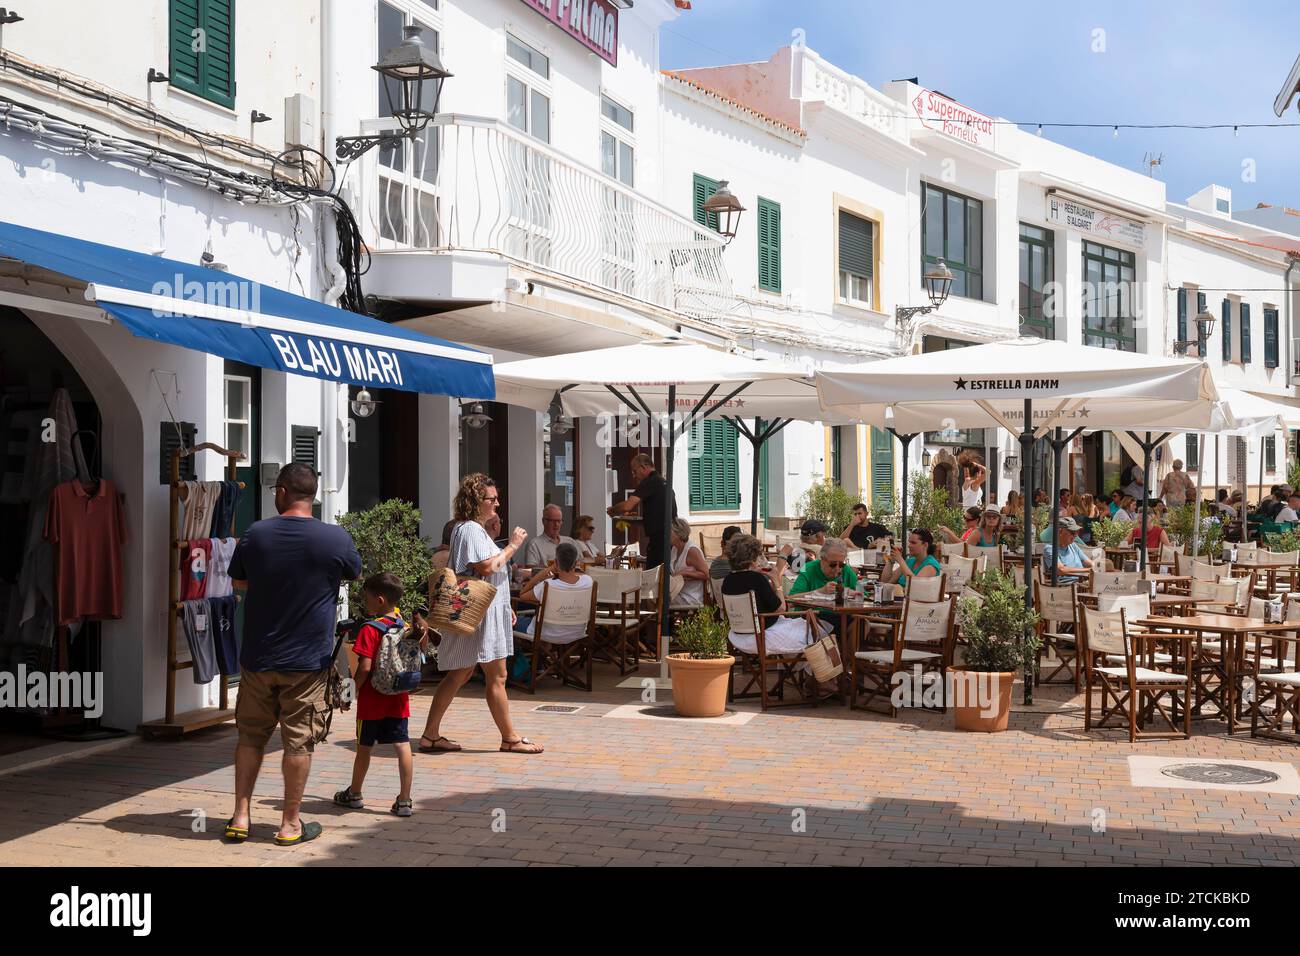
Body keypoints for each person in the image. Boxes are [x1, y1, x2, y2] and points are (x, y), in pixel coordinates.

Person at [225, 463, 362, 847]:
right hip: (308, 662)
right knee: (298, 742)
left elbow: (238, 580)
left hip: (258, 657)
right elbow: (352, 572)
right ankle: (289, 825)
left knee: (250, 737)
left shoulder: (256, 534)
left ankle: (240, 816)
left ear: (281, 492)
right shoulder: (335, 539)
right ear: (313, 495)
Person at [417, 474, 543, 755]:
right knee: (497, 676)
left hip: (479, 612)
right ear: (477, 501)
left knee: (459, 674)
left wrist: (506, 604)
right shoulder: (471, 530)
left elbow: (486, 573)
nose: (497, 503)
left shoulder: (469, 529)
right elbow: (486, 567)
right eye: (492, 499)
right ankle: (509, 738)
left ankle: (430, 735)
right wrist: (513, 545)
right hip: (480, 615)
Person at [333, 572, 418, 818]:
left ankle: (355, 794)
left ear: (379, 600)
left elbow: (365, 668)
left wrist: (348, 693)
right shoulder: (405, 626)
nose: (364, 601)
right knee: (402, 745)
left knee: (364, 747)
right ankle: (404, 800)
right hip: (399, 698)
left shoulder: (370, 629)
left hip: (371, 701)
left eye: (366, 597)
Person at [721, 534, 827, 653]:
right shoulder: (757, 579)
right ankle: (808, 670)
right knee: (817, 629)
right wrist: (777, 581)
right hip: (764, 635)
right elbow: (781, 609)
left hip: (738, 635)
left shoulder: (727, 580)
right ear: (753, 559)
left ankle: (788, 669)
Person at [607, 453, 677, 569]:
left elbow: (627, 506)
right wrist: (631, 521)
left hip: (660, 540)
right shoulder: (663, 482)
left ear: (643, 467)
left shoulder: (650, 481)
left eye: (634, 471)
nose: (634, 476)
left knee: (653, 577)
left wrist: (613, 510)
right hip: (671, 537)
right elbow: (657, 517)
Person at [518, 542, 594, 643]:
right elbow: (576, 576)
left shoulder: (547, 585)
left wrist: (547, 570)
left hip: (546, 633)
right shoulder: (588, 581)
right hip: (577, 633)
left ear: (556, 563)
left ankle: (524, 657)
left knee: (510, 620)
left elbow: (522, 594)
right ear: (576, 563)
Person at [669, 517, 710, 607]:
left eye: (669, 532)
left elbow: (706, 574)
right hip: (678, 593)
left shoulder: (692, 550)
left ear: (678, 534)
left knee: (660, 600)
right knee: (654, 596)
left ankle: (660, 621)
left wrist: (686, 573)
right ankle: (660, 621)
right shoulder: (675, 549)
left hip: (690, 596)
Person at [1043, 517, 1095, 585]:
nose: (1076, 535)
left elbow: (1090, 563)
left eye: (1077, 532)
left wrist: (1097, 567)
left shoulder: (1073, 545)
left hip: (1082, 583)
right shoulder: (1050, 549)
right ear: (1060, 531)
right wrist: (1088, 570)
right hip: (1067, 587)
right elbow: (1061, 570)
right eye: (1072, 533)